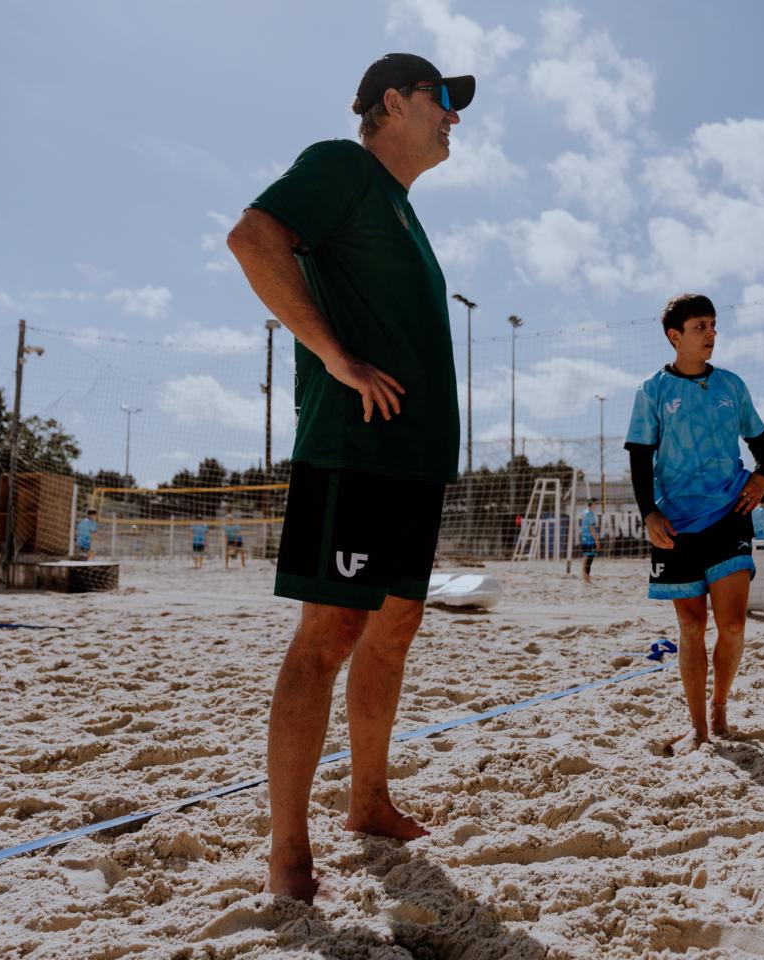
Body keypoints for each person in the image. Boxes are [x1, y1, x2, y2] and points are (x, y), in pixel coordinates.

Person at [226, 52, 472, 900]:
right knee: (327, 636)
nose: (454, 116)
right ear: (393, 103)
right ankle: (289, 854)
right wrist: (336, 358)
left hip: (413, 461)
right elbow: (253, 238)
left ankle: (368, 801)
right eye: (444, 99)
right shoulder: (342, 164)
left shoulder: (401, 209)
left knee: (394, 631)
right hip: (355, 451)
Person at [626, 293, 764, 756]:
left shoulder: (731, 385)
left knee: (730, 626)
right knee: (691, 627)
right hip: (676, 522)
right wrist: (648, 511)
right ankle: (698, 729)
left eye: (713, 325)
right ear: (675, 336)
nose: (711, 334)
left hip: (729, 514)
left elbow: (760, 440)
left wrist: (763, 475)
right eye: (700, 327)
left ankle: (719, 706)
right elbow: (639, 456)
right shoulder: (653, 391)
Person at [580, 497, 600, 584]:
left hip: (584, 538)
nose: (596, 505)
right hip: (589, 540)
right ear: (592, 504)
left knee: (585, 559)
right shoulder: (590, 514)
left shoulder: (584, 512)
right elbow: (591, 529)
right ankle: (587, 579)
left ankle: (585, 577)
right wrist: (597, 541)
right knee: (589, 559)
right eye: (596, 503)